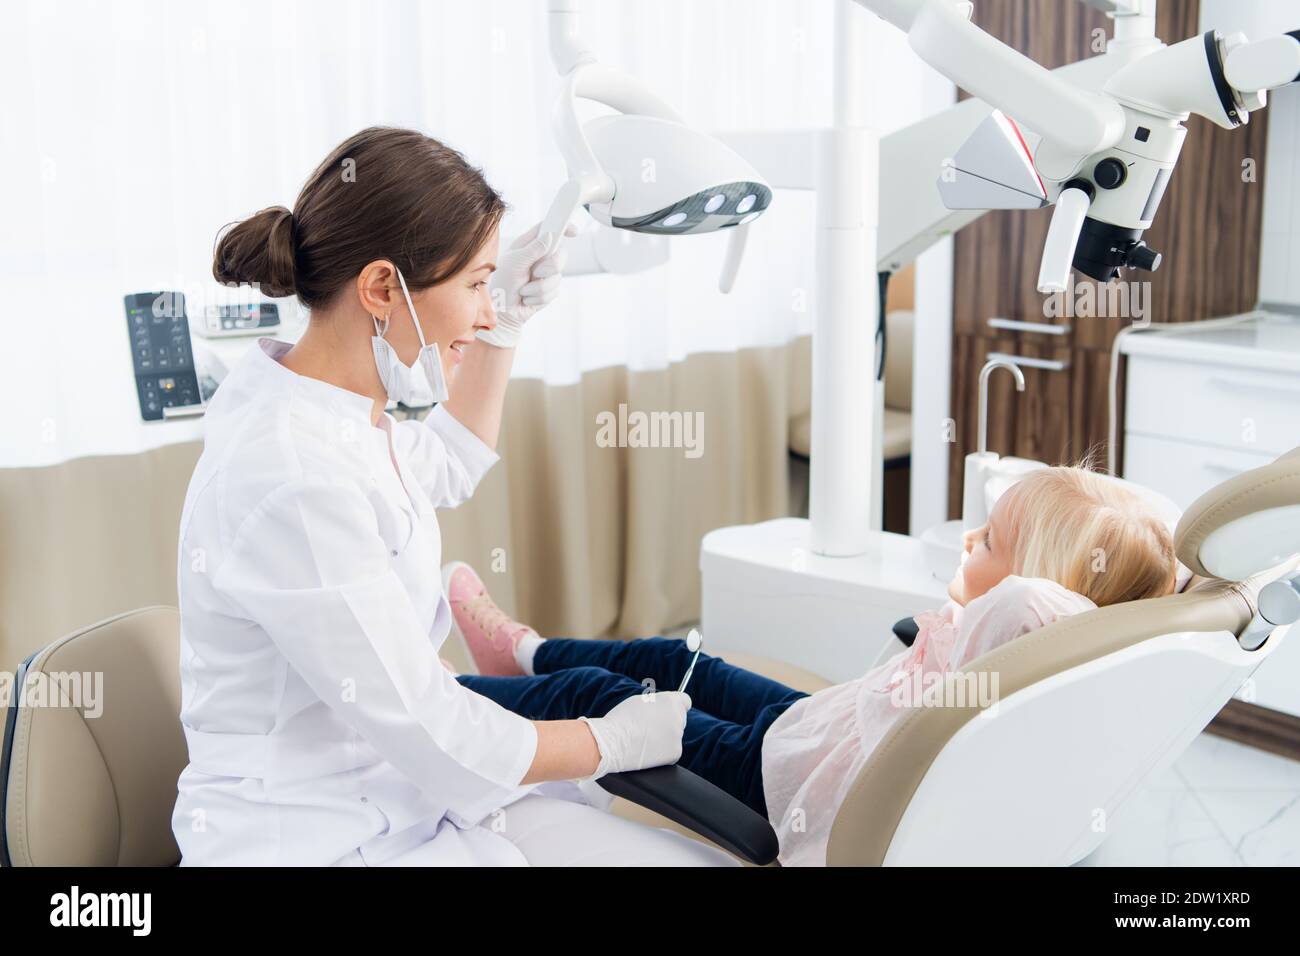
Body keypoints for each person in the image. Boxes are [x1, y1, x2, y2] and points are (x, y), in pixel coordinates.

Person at [172, 127, 729, 866]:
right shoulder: (289, 474)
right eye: (474, 284)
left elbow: (445, 464)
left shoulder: (342, 405)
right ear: (379, 289)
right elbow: (432, 728)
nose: (486, 310)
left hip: (405, 791)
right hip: (314, 832)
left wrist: (508, 331)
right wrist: (610, 741)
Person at [444, 465, 1179, 866]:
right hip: (803, 729)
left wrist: (1058, 583)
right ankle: (522, 650)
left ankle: (438, 699)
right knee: (673, 656)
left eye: (990, 542)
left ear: (1037, 580)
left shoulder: (1019, 630)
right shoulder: (1000, 646)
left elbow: (1032, 605)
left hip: (775, 779)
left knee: (601, 694)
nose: (970, 539)